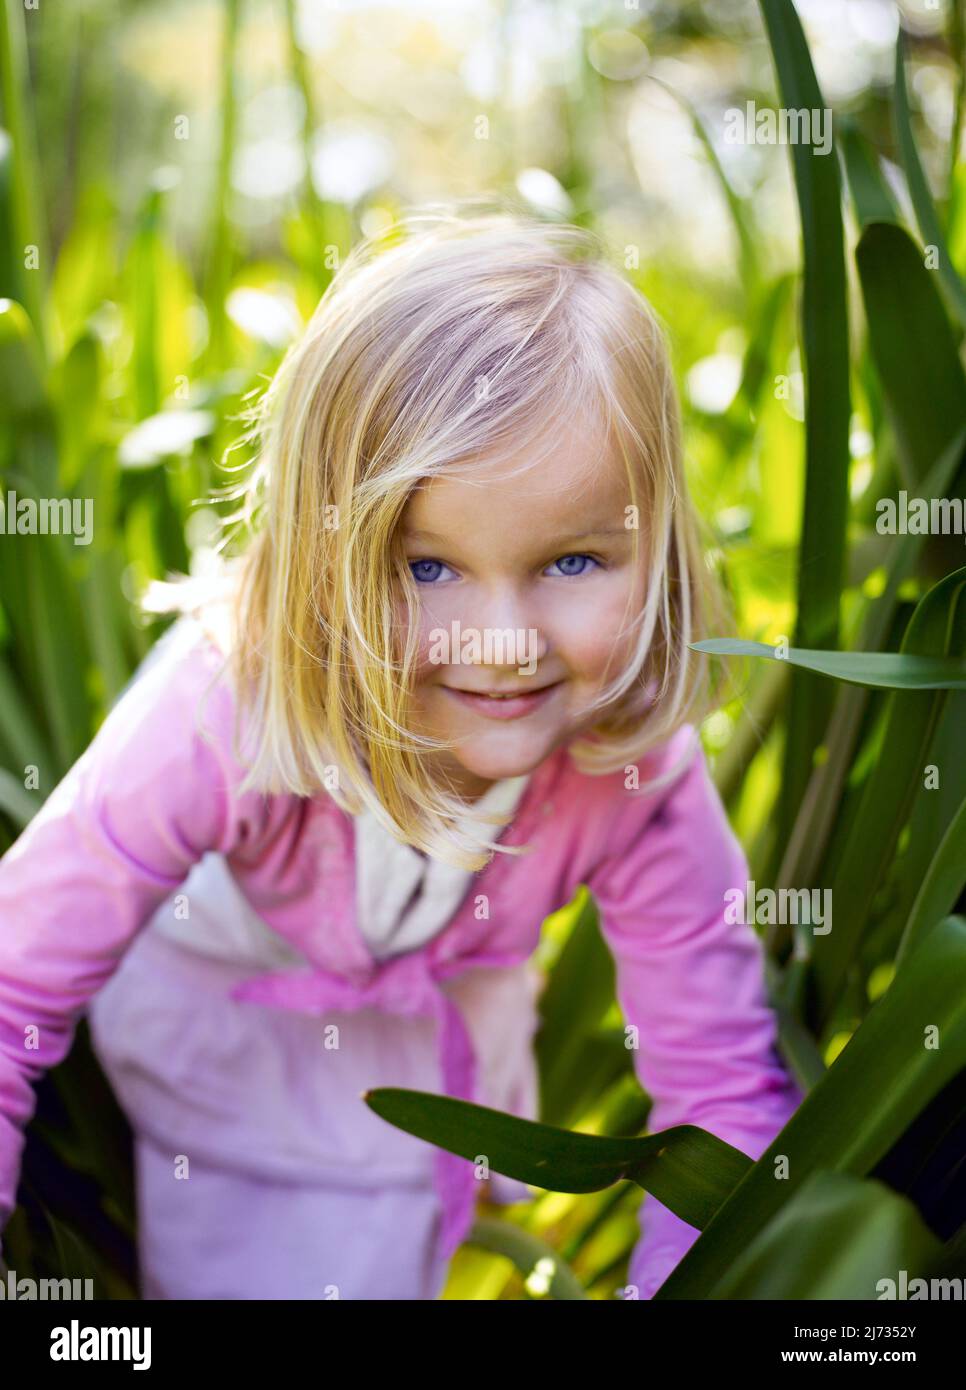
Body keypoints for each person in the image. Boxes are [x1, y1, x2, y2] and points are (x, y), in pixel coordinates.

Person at [0, 206, 803, 1300]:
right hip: (227, 1040)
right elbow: (10, 985)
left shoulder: (631, 761)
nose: (503, 644)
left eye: (573, 560)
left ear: (654, 541)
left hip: (438, 1049)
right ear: (316, 560)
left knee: (416, 1241)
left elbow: (720, 1088)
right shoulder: (222, 708)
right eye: (426, 569)